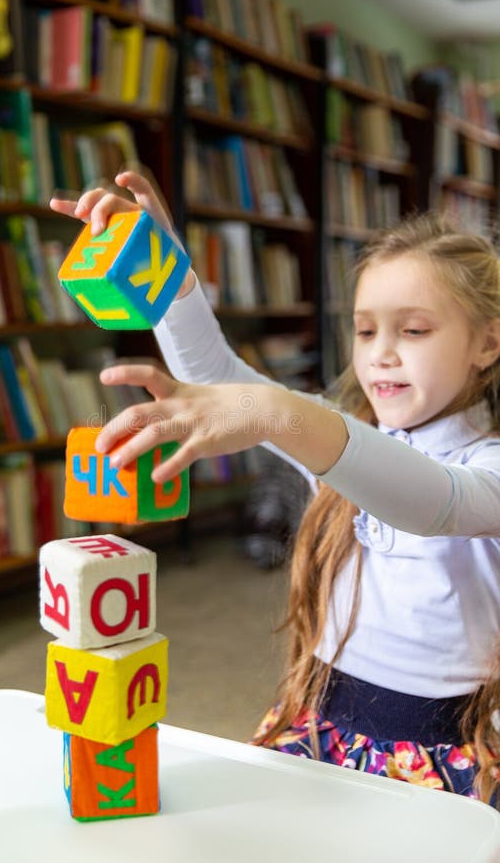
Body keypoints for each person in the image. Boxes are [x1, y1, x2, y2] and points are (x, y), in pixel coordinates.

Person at [50, 171, 500, 805]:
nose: (381, 354)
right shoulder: (337, 437)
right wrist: (172, 281)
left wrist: (277, 414)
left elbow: (435, 501)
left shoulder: (487, 468)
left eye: (414, 330)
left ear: (488, 341)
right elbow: (214, 374)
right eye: (366, 331)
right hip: (320, 723)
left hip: (438, 760)